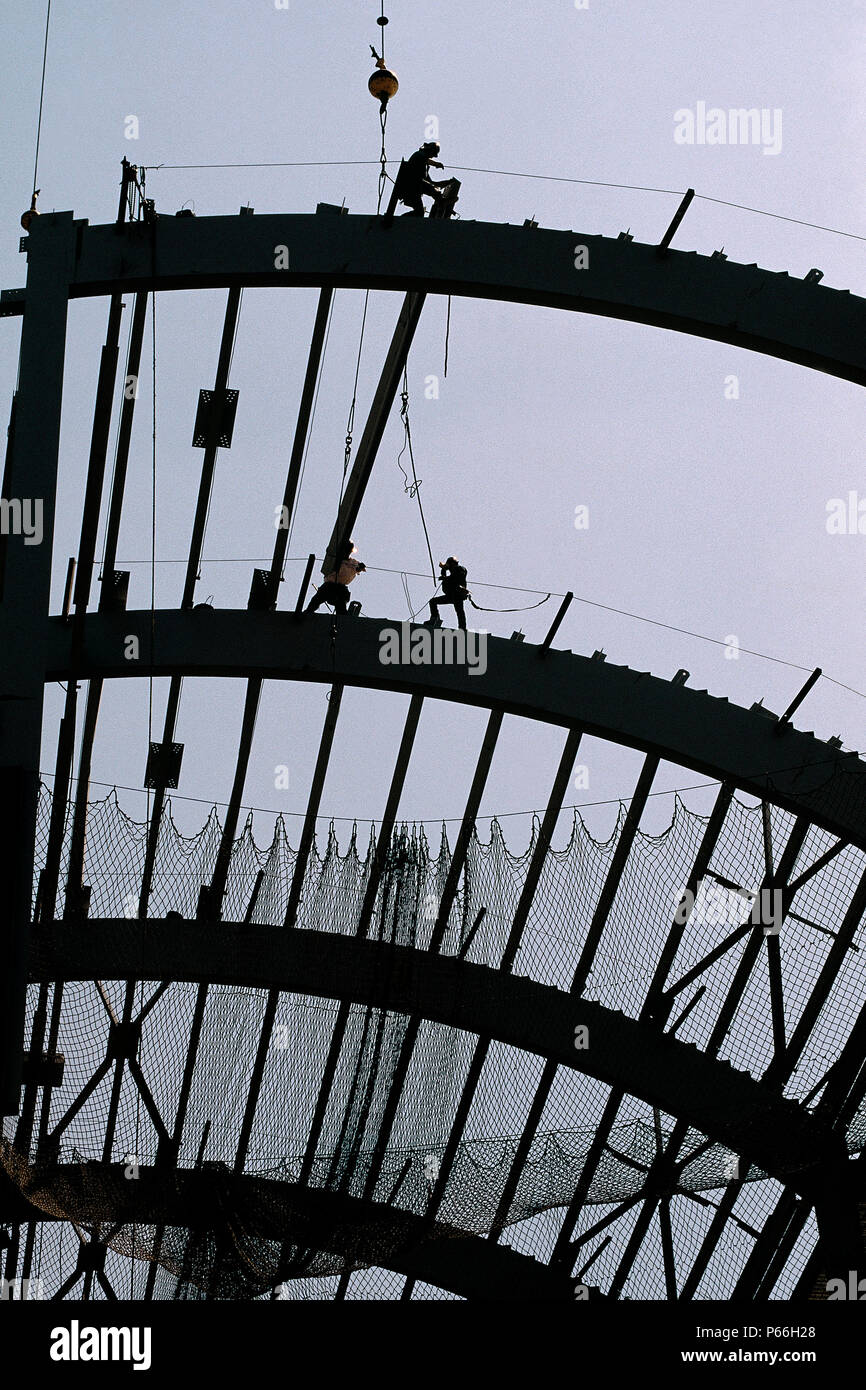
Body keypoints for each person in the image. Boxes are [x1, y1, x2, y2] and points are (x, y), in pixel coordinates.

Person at [304, 539, 366, 616]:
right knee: (317, 599)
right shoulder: (334, 559)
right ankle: (307, 612)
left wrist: (360, 567)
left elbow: (359, 568)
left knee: (341, 603)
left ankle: (342, 618)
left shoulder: (353, 562)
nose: (347, 552)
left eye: (348, 550)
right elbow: (329, 553)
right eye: (345, 550)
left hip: (341, 587)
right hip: (329, 585)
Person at [398, 142, 446, 217]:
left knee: (419, 212)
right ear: (429, 150)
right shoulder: (419, 155)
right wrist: (436, 164)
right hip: (412, 186)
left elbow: (429, 182)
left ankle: (401, 219)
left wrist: (440, 184)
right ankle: (442, 201)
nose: (432, 156)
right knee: (432, 190)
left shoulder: (423, 163)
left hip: (415, 188)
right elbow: (425, 159)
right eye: (433, 154)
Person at [429, 557, 469, 630]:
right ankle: (435, 619)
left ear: (452, 564)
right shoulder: (453, 572)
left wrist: (445, 578)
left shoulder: (460, 569)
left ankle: (462, 628)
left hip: (457, 595)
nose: (449, 569)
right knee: (432, 601)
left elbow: (457, 577)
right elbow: (448, 578)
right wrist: (443, 570)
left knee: (460, 612)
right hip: (450, 595)